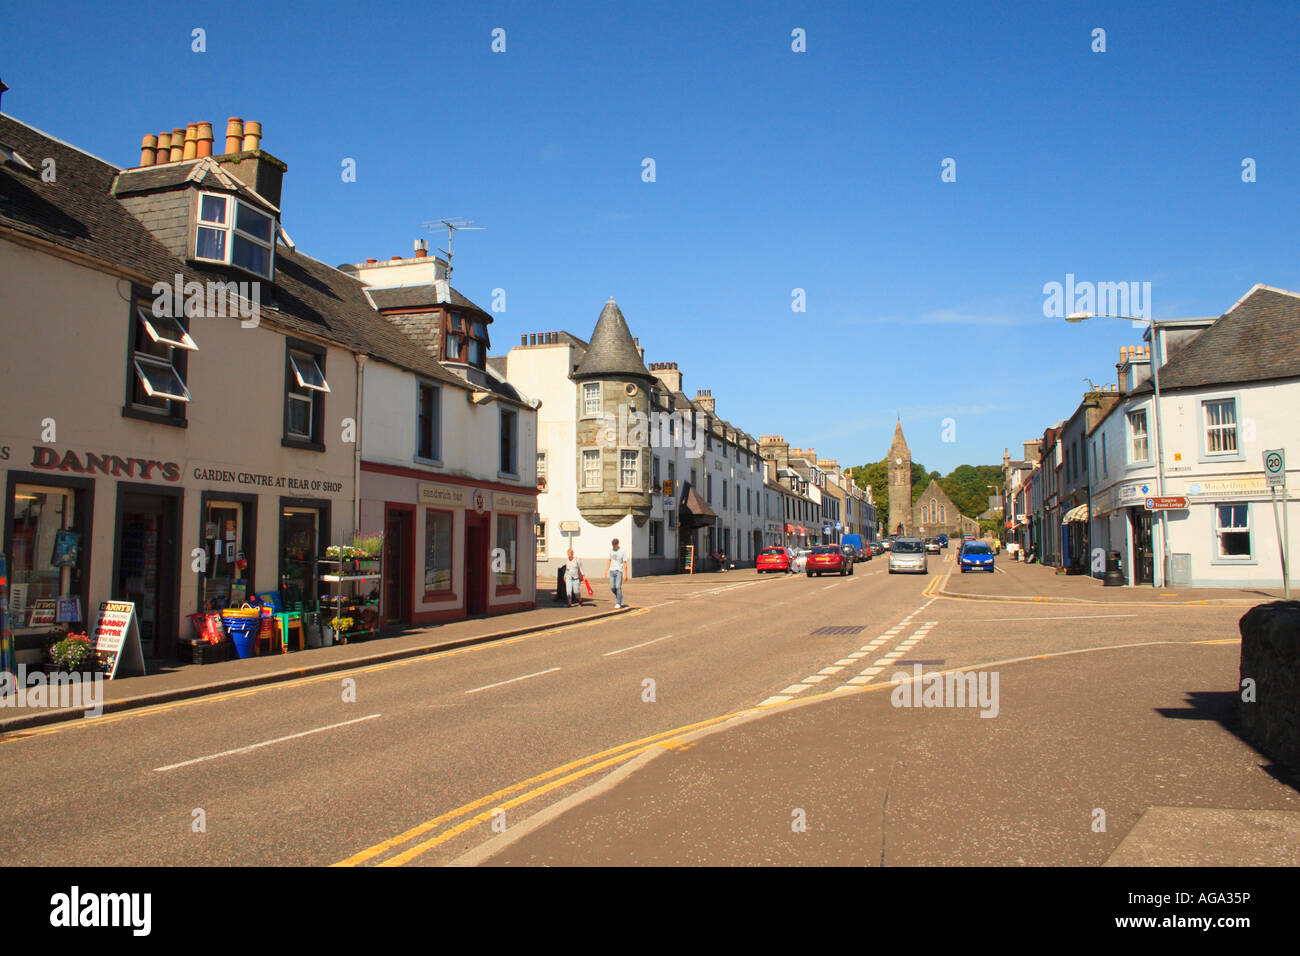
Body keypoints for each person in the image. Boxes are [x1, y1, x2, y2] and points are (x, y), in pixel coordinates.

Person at [605, 538, 629, 609]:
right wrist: (606, 570)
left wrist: (626, 574)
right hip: (612, 571)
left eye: (614, 544)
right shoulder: (611, 551)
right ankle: (619, 596)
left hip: (619, 571)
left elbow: (625, 563)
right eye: (612, 544)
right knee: (612, 587)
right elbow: (609, 560)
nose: (613, 545)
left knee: (618, 587)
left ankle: (618, 602)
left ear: (617, 544)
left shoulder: (622, 551)